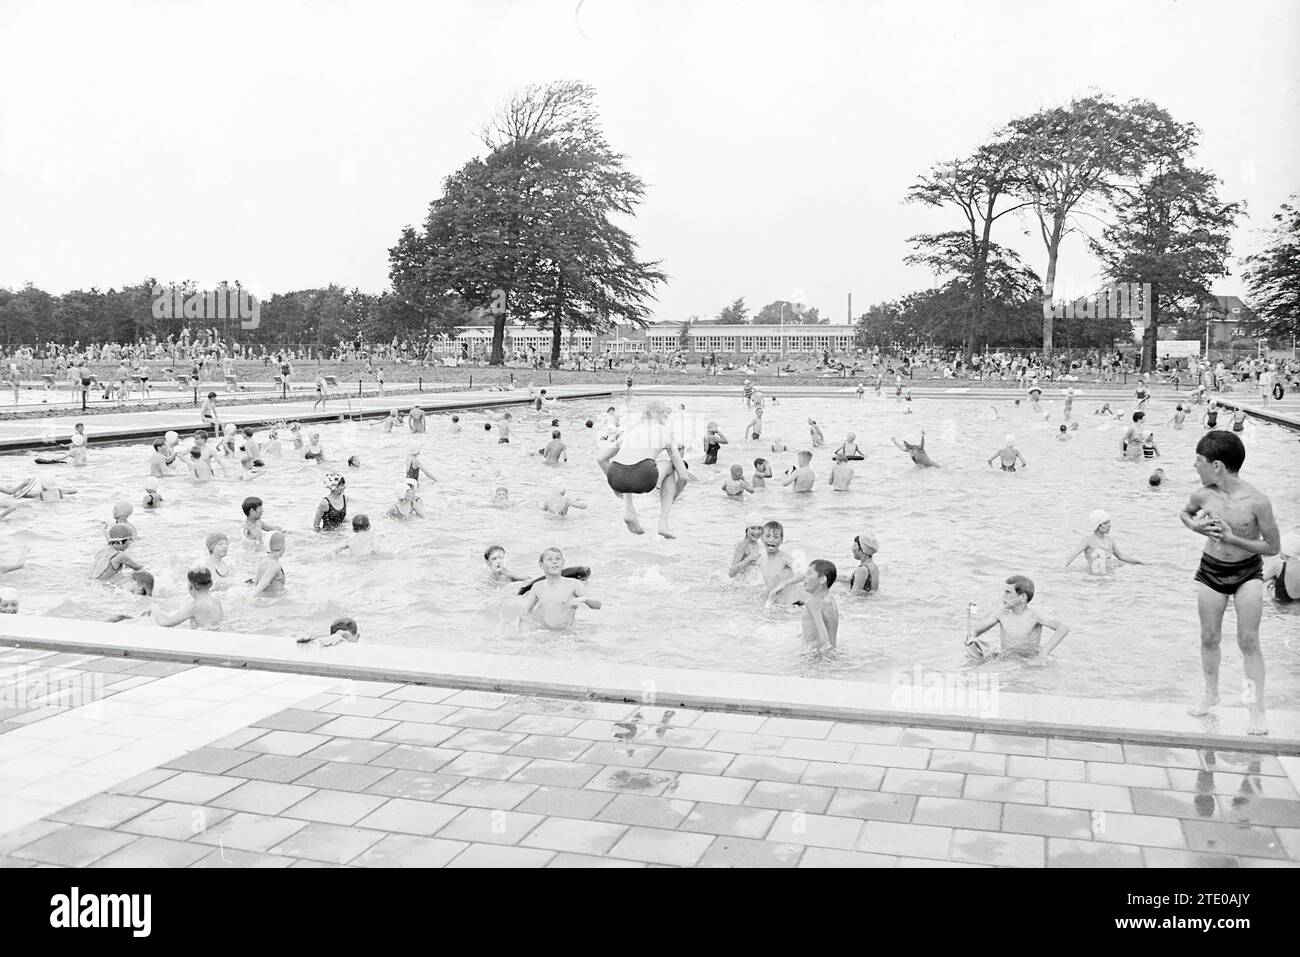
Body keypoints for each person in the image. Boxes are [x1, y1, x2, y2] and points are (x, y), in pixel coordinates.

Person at [1181, 430, 1280, 734]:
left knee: (1248, 641)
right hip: (1211, 569)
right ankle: (1211, 693)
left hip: (1247, 573)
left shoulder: (1257, 502)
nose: (1194, 466)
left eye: (1198, 461)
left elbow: (1273, 548)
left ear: (1217, 466)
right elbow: (1185, 514)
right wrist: (1196, 528)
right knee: (1208, 636)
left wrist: (1233, 538)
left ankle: (1255, 708)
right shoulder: (1203, 494)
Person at [596, 399, 690, 538]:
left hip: (615, 475)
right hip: (643, 476)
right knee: (671, 466)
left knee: (627, 462)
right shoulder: (665, 432)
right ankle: (663, 524)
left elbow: (601, 459)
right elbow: (683, 477)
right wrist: (673, 498)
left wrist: (616, 489)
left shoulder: (630, 430)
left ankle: (629, 511)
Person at [966, 576, 1072, 664]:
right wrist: (971, 638)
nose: (1003, 597)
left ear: (1023, 597)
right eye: (1004, 592)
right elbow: (976, 631)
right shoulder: (1001, 614)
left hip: (1027, 660)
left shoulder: (1034, 616)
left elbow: (1063, 628)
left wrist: (1044, 652)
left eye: (1008, 592)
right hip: (1006, 658)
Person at [520, 547, 600, 630]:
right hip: (545, 633)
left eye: (558, 559)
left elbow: (598, 605)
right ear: (541, 564)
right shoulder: (537, 587)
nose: (554, 562)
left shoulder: (573, 584)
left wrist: (583, 599)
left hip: (566, 635)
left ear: (563, 562)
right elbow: (526, 612)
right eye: (549, 559)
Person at [1064, 510, 1143, 573]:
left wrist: (1139, 562)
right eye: (1105, 523)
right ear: (1098, 525)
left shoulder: (1110, 540)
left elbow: (1120, 556)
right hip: (1095, 574)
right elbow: (1074, 554)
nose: (1109, 525)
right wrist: (1063, 569)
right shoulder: (1088, 540)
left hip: (1109, 573)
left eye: (1109, 523)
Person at [152, 568, 224, 629]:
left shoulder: (194, 606)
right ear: (210, 583)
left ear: (190, 586)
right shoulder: (216, 601)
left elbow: (166, 622)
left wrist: (153, 608)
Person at [758, 520, 803, 606]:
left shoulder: (785, 559)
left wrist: (784, 584)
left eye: (775, 537)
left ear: (781, 540)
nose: (771, 540)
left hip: (793, 605)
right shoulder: (760, 560)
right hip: (777, 606)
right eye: (767, 536)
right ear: (762, 539)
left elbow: (803, 574)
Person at [800, 560, 839, 652]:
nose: (804, 578)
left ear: (822, 579)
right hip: (830, 655)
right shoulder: (831, 601)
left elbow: (824, 640)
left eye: (809, 574)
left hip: (817, 658)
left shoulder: (813, 602)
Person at [1263, 532, 1300, 604]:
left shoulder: (1278, 566)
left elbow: (1258, 580)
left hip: (1282, 611)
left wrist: (1271, 596)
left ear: (1285, 549)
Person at [250, 531, 287, 596]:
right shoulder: (275, 565)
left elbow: (257, 583)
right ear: (283, 546)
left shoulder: (263, 560)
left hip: (267, 599)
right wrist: (251, 598)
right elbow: (262, 585)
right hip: (275, 602)